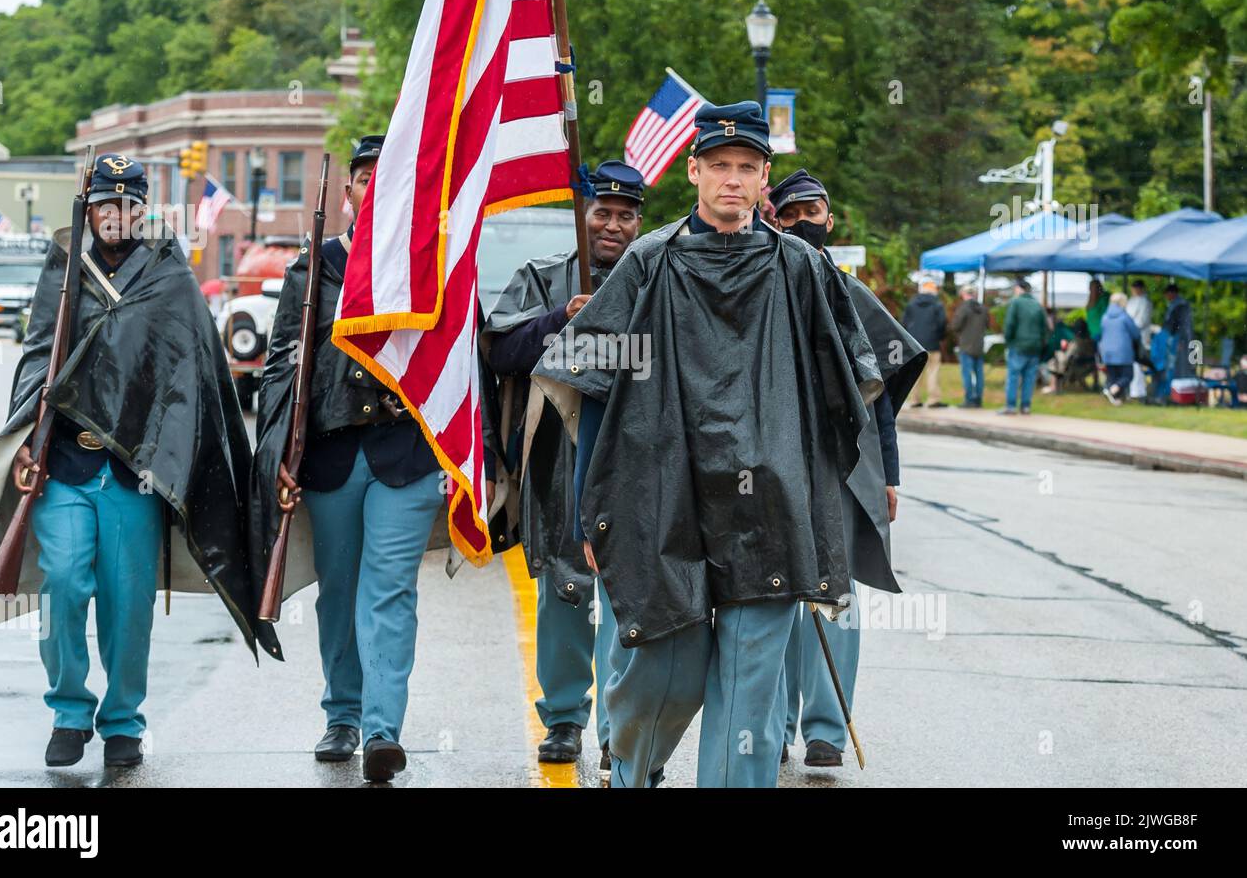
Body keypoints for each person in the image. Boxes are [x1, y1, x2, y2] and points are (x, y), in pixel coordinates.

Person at [533, 102, 886, 788]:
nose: (732, 179)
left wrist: (827, 499)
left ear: (763, 177)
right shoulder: (646, 264)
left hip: (773, 508)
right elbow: (596, 389)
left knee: (751, 692)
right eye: (719, 165)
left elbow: (843, 394)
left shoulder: (802, 271)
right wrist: (586, 512)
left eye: (746, 167)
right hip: (660, 497)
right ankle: (631, 766)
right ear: (693, 169)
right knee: (666, 666)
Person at [0, 153, 277, 769]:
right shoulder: (64, 267)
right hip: (67, 466)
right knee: (65, 586)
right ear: (91, 207)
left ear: (143, 209)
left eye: (129, 204)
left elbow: (192, 374)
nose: (116, 215)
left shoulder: (169, 274)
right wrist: (26, 435)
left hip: (135, 471)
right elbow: (37, 355)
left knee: (128, 604)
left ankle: (123, 719)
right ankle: (69, 711)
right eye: (106, 203)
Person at [250, 135, 501, 783]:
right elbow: (282, 364)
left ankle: (384, 731)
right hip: (331, 455)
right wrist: (277, 451)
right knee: (339, 594)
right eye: (363, 177)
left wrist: (476, 458)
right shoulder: (315, 268)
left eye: (386, 176)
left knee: (388, 592)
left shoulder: (435, 261)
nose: (372, 186)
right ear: (349, 191)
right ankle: (344, 713)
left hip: (406, 452)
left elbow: (471, 363)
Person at [481, 160, 644, 768]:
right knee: (566, 590)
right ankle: (565, 717)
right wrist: (560, 321)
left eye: (625, 216)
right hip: (556, 459)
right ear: (583, 213)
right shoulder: (539, 278)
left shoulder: (660, 280)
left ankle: (618, 725)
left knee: (628, 594)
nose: (612, 226)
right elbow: (500, 354)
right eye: (602, 212)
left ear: (638, 224)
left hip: (635, 460)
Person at [768, 168, 925, 768]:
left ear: (830, 220)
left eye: (815, 210)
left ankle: (827, 729)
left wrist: (888, 474)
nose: (805, 220)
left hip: (843, 463)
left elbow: (878, 388)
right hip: (772, 462)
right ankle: (773, 724)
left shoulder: (849, 291)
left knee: (837, 592)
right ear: (774, 218)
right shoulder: (760, 281)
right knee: (773, 590)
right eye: (793, 211)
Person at [1000, 278, 1047, 415]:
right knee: (1029, 378)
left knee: (1013, 376)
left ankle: (1010, 406)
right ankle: (1026, 406)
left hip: (1018, 345)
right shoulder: (1037, 305)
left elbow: (1010, 325)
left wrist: (1008, 341)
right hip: (1035, 347)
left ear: (1019, 289)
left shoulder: (1016, 303)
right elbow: (1044, 328)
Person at [903, 279, 947, 407]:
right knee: (933, 371)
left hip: (915, 344)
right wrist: (939, 336)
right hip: (932, 342)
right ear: (934, 292)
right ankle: (933, 399)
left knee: (915, 373)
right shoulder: (938, 305)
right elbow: (942, 323)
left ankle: (915, 400)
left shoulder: (911, 304)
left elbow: (904, 323)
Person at [1098, 292, 1142, 405]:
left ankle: (1116, 397)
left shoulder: (1104, 317)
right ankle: (1111, 390)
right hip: (1123, 352)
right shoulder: (1124, 317)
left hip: (1107, 352)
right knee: (1128, 376)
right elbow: (1136, 334)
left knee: (1113, 376)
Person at [950, 285, 988, 408]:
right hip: (979, 346)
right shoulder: (983, 308)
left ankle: (969, 400)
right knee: (979, 374)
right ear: (975, 294)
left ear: (963, 294)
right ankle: (978, 400)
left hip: (966, 345)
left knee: (967, 373)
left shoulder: (964, 308)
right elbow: (987, 324)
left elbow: (955, 325)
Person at [1045, 319, 1096, 394]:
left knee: (1056, 361)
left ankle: (1054, 387)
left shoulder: (1076, 342)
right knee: (1057, 361)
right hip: (1090, 365)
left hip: (1077, 366)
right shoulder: (1091, 340)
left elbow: (1068, 357)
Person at [1126, 280, 1153, 400]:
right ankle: (1132, 390)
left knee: (1139, 364)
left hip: (1140, 336)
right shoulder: (1131, 301)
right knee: (1131, 364)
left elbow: (1142, 321)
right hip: (1129, 336)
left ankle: (1139, 392)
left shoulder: (1145, 302)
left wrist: (1130, 328)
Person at [1163, 283, 1194, 378]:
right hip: (1177, 338)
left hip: (1180, 339)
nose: (1166, 296)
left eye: (1167, 294)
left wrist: (1180, 340)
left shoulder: (1180, 305)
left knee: (1180, 364)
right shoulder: (1176, 304)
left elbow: (1183, 325)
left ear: (1172, 293)